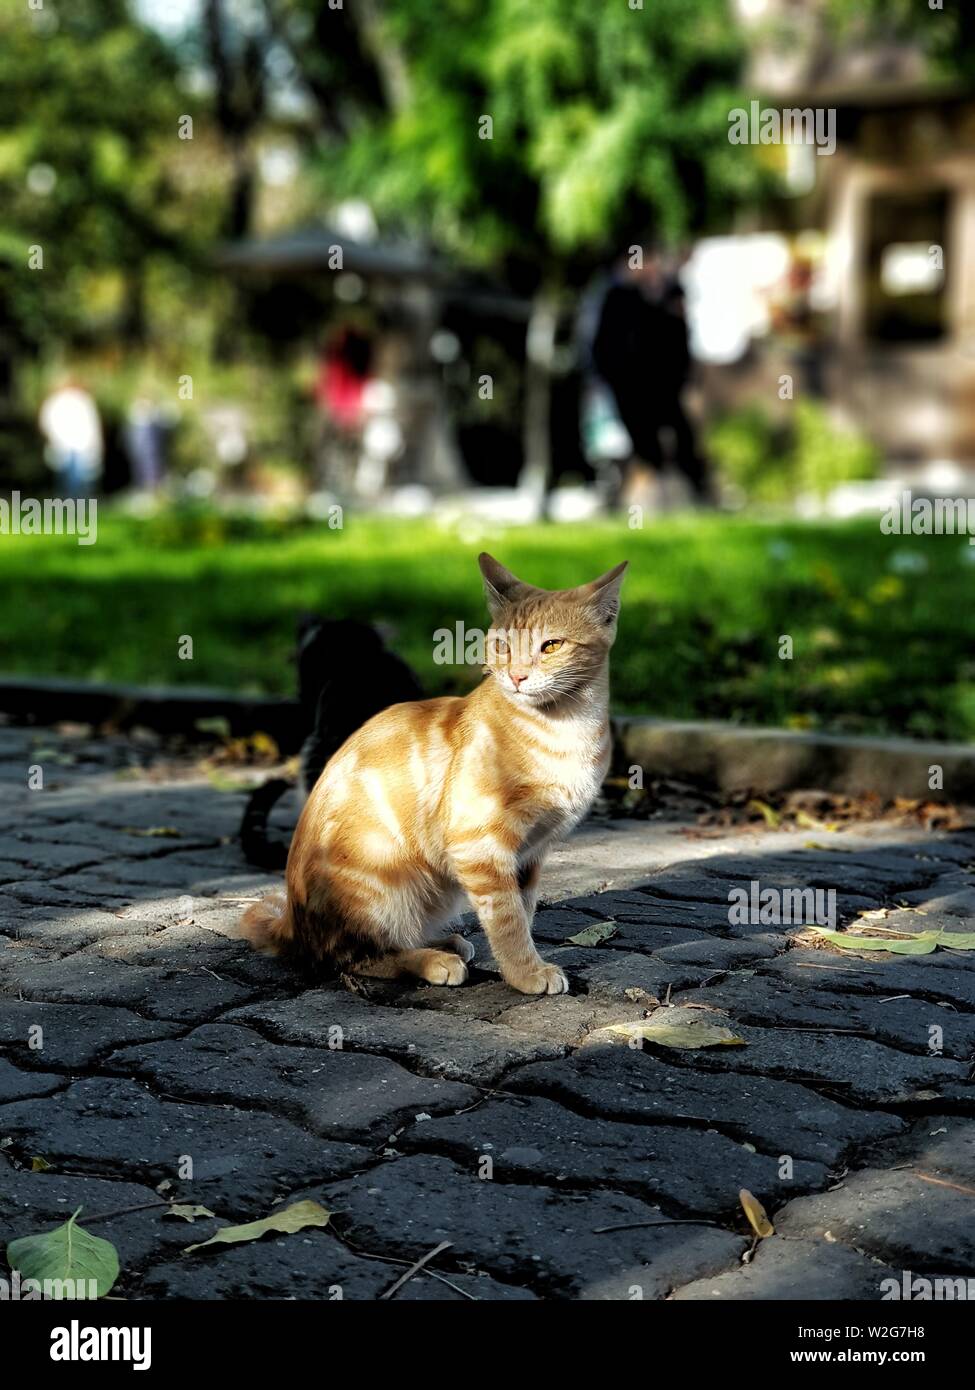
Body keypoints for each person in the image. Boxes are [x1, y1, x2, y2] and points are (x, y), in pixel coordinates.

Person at [590, 245, 709, 505]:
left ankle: (692, 496)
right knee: (648, 446)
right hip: (632, 388)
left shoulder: (665, 297)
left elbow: (677, 343)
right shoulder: (619, 299)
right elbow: (606, 350)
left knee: (681, 441)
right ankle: (654, 500)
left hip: (664, 388)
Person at [38, 378, 104, 497]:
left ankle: (71, 503)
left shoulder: (57, 400)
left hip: (74, 446)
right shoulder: (80, 400)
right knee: (74, 479)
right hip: (71, 446)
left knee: (73, 479)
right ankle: (73, 503)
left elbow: (45, 423)